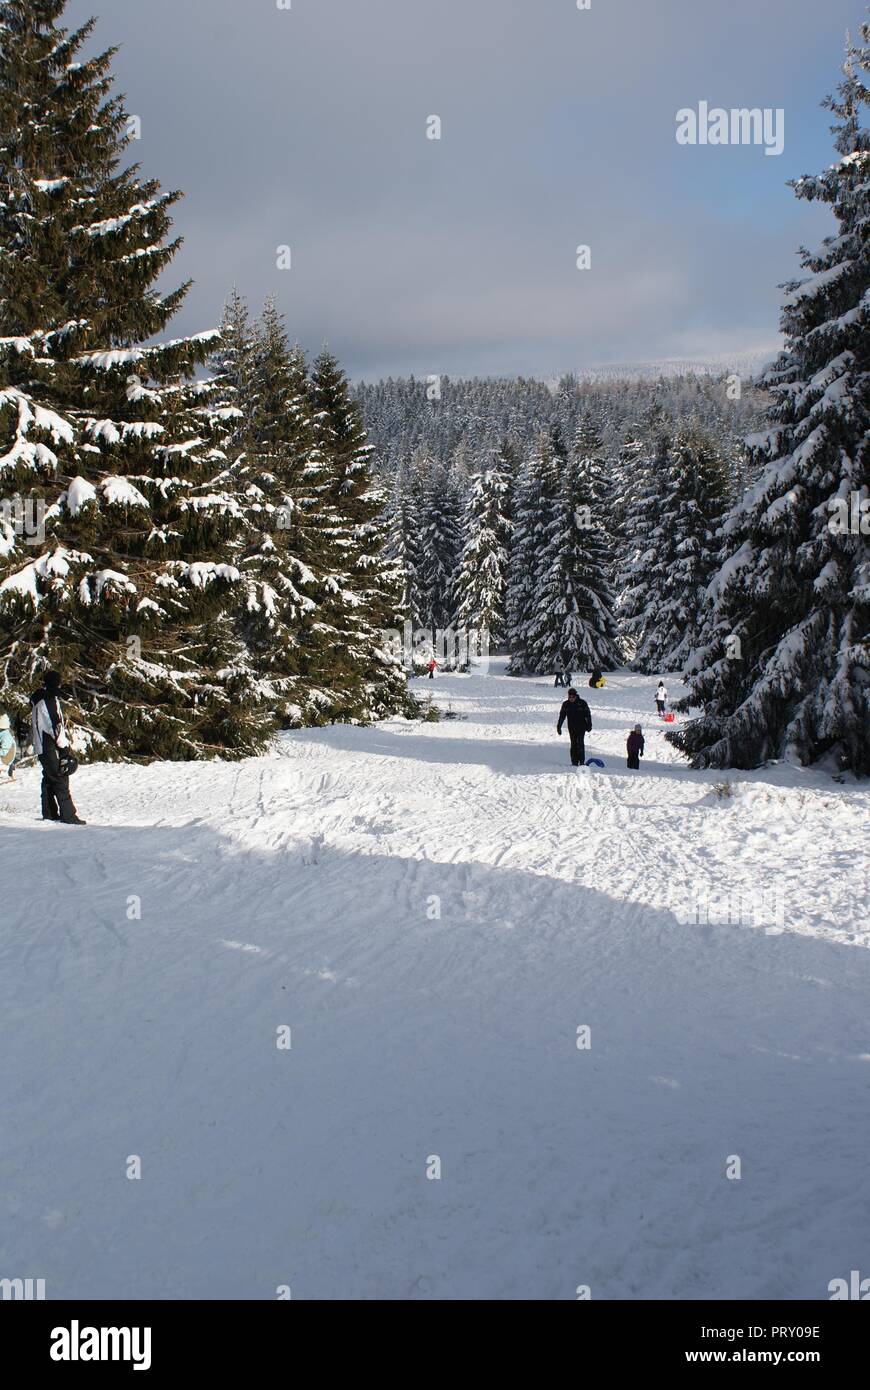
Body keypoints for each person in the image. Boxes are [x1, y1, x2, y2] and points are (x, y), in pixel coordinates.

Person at [30, 671, 85, 825]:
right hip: (49, 745)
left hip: (41, 745)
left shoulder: (38, 698)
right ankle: (69, 816)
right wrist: (64, 748)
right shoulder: (48, 700)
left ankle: (49, 813)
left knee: (49, 778)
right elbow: (55, 726)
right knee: (60, 778)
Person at [556, 687, 592, 767]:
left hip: (581, 726)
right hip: (571, 727)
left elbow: (587, 714)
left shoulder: (582, 703)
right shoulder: (566, 704)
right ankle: (574, 762)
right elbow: (562, 716)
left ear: (576, 696)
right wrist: (559, 726)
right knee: (573, 744)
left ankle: (582, 761)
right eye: (569, 697)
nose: (571, 698)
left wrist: (589, 724)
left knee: (580, 743)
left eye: (573, 697)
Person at [0, 712, 16, 780]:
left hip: (6, 758)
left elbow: (4, 750)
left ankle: (5, 771)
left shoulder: (6, 736)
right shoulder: (3, 734)